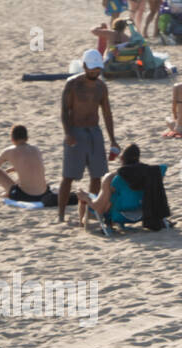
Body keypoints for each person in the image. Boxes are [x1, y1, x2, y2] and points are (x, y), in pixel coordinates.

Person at [58, 50, 119, 224]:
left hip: (94, 132)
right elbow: (64, 110)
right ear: (84, 66)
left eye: (97, 69)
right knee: (68, 176)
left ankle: (90, 213)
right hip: (75, 131)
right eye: (91, 69)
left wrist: (113, 139)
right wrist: (68, 133)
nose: (94, 72)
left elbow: (107, 113)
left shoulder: (101, 87)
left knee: (97, 176)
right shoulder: (73, 84)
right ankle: (61, 215)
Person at [0, 125, 55, 204]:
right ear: (27, 138)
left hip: (27, 197)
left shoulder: (10, 150)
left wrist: (5, 173)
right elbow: (31, 166)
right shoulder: (36, 149)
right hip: (45, 194)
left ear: (12, 139)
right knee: (24, 178)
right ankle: (7, 193)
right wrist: (16, 168)